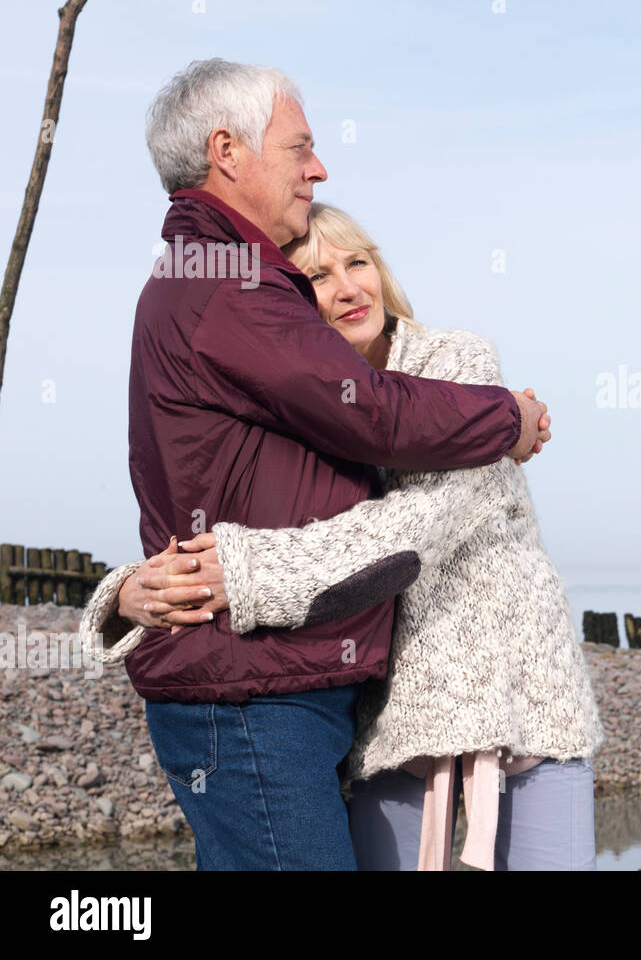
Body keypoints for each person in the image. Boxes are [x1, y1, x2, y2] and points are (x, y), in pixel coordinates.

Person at [81, 59, 551, 871]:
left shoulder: (225, 276)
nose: (319, 168)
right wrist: (507, 418)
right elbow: (370, 410)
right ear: (227, 151)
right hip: (252, 693)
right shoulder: (225, 284)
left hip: (276, 686)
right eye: (299, 147)